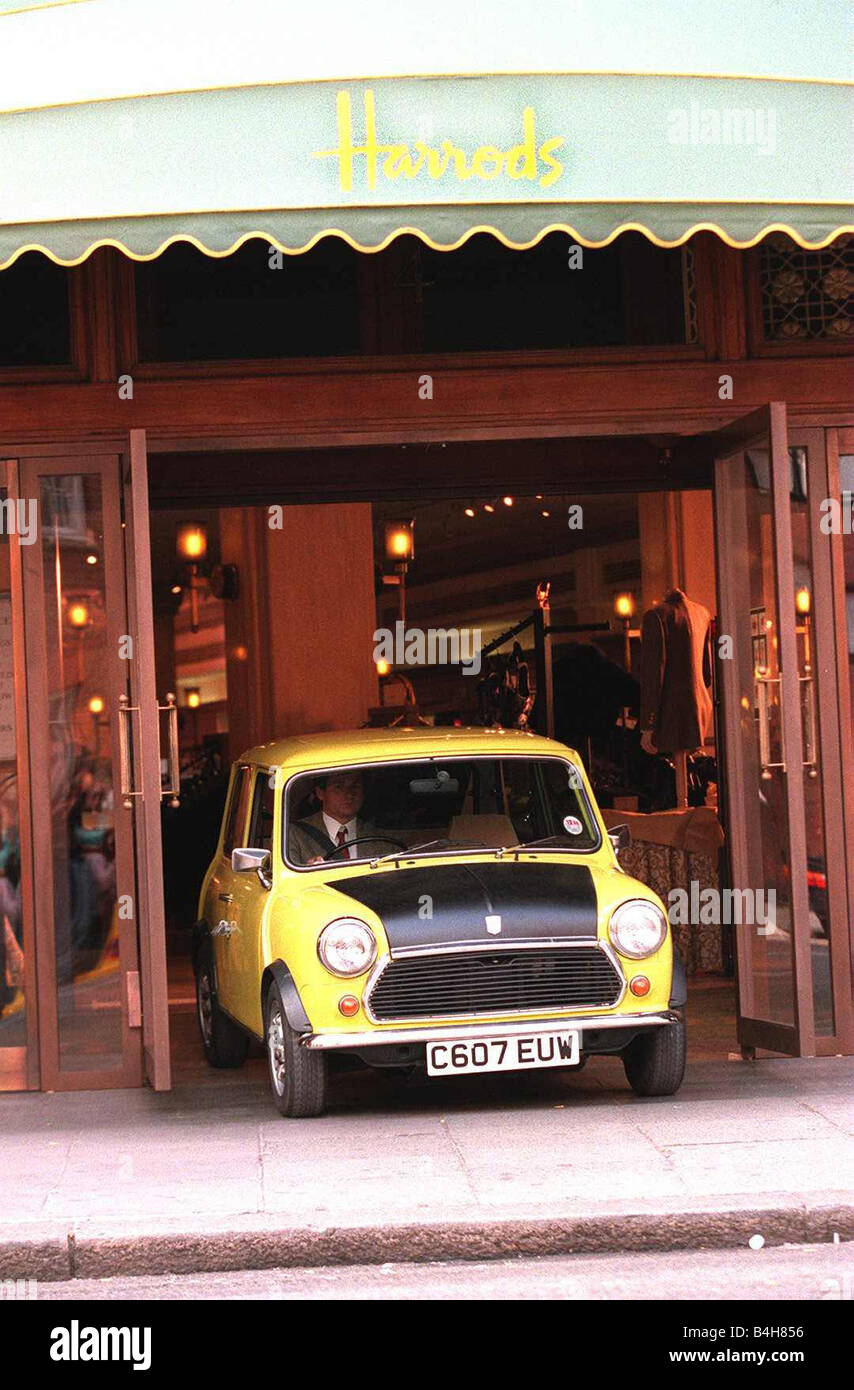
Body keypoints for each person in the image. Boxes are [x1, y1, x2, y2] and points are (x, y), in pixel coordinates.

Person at [288, 769, 389, 865]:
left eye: (355, 786)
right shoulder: (293, 834)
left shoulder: (379, 836)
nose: (349, 794)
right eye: (338, 786)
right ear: (320, 793)